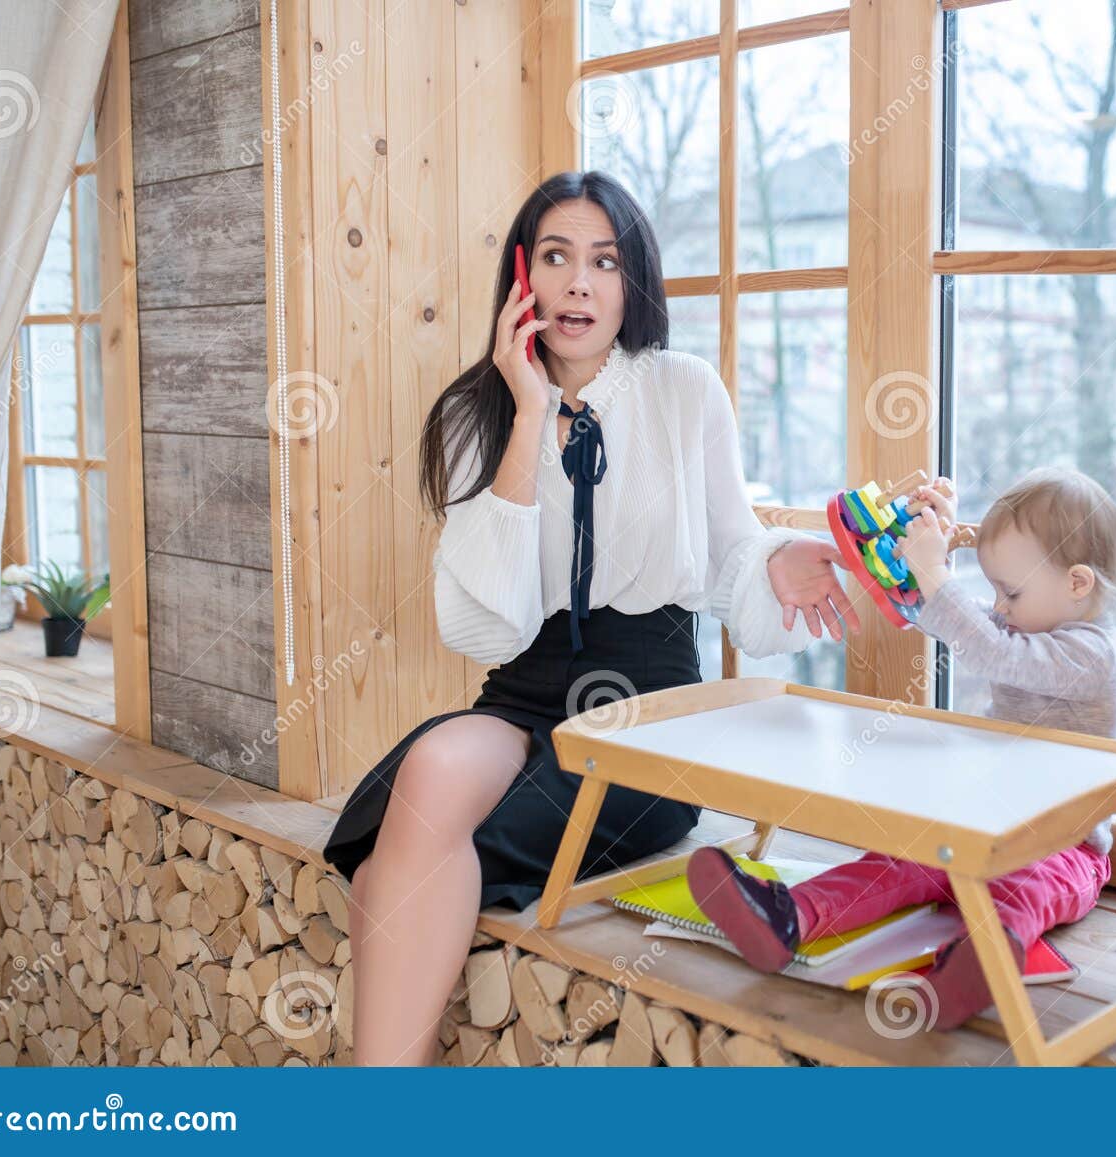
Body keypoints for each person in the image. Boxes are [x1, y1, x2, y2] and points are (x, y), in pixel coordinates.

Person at [321, 170, 861, 1065]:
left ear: (632, 280)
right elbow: (485, 629)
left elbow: (731, 550)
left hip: (648, 713)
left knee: (394, 868)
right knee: (434, 769)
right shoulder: (474, 411)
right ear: (521, 276)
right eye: (556, 257)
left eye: (605, 262)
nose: (579, 283)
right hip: (524, 687)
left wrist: (776, 561)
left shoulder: (684, 390)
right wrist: (529, 415)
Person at [687, 467, 1116, 1030]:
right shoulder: (1031, 625)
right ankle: (790, 916)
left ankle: (983, 958)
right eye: (997, 591)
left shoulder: (1095, 657)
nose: (999, 606)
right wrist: (923, 559)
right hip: (986, 830)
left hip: (1066, 848)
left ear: (1077, 584)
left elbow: (991, 650)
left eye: (1012, 592)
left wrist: (936, 576)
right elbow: (964, 625)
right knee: (896, 864)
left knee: (1025, 891)